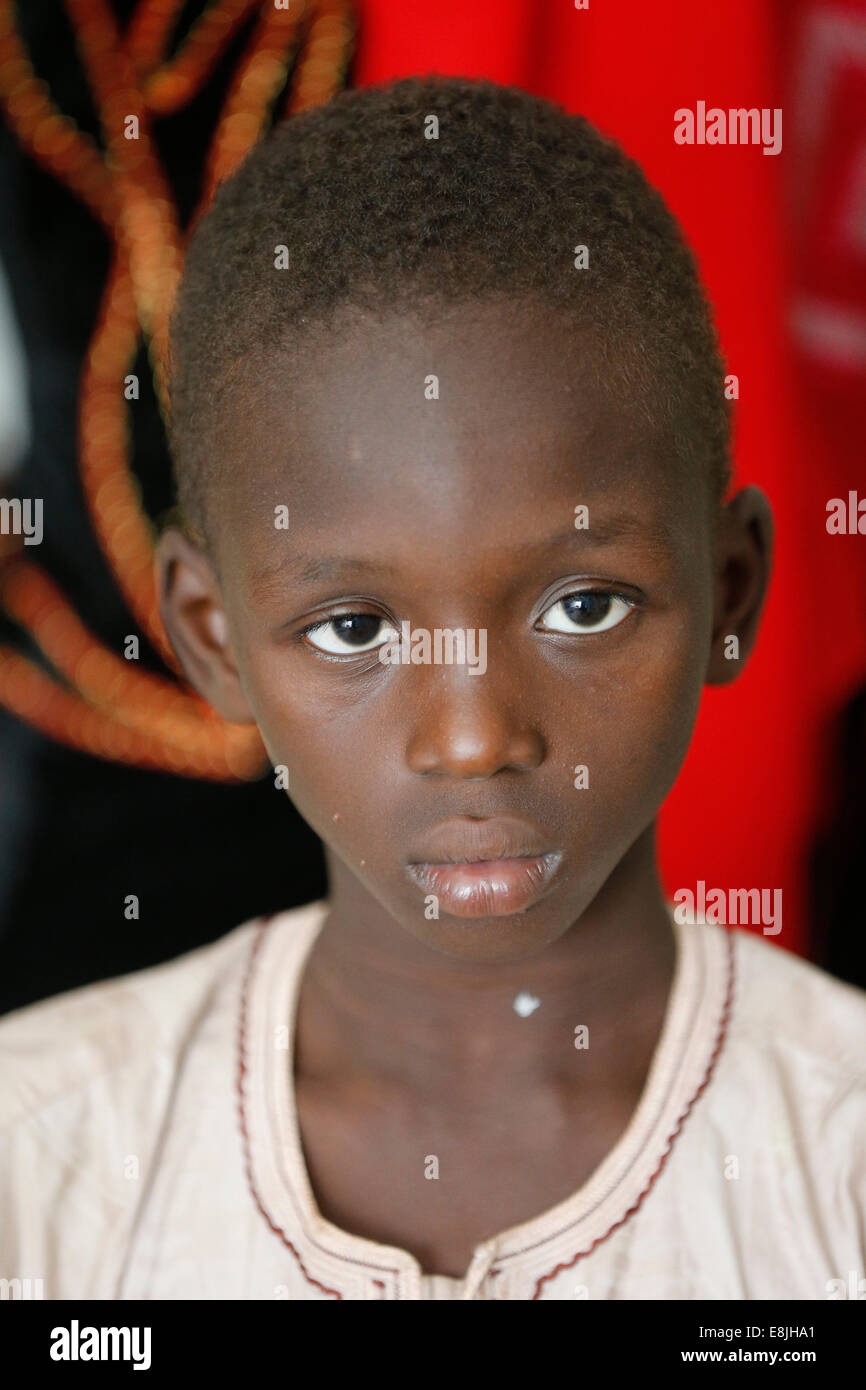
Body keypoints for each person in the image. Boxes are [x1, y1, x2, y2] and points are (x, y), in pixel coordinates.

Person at [1, 76, 864, 1301]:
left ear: (728, 592)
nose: (472, 738)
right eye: (352, 626)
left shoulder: (835, 1169)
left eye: (582, 605)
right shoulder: (41, 1165)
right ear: (212, 637)